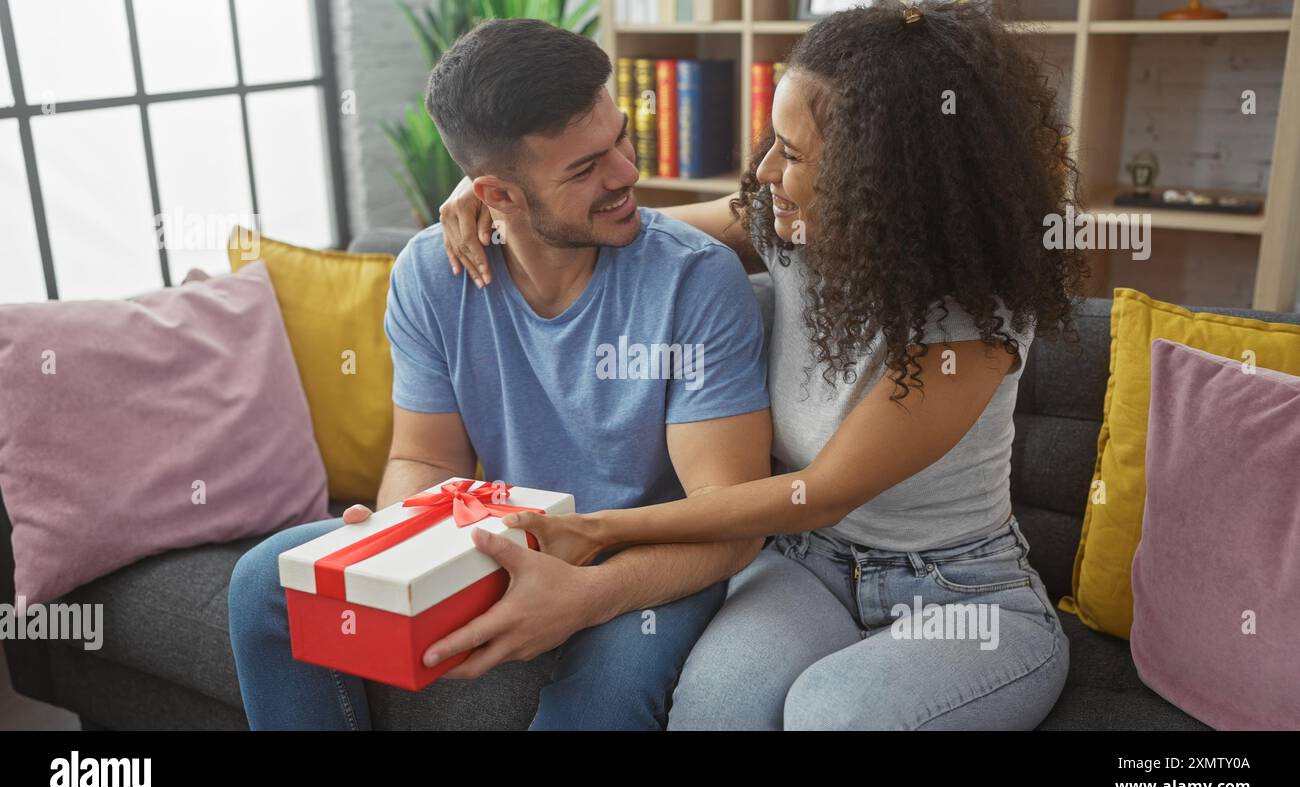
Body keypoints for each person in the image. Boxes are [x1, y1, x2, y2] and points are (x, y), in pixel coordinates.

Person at [436, 1, 1087, 729]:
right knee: (715, 711)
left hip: (962, 591)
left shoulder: (978, 316)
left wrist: (601, 530)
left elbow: (823, 489)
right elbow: (633, 237)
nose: (767, 170)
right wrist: (503, 200)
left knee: (830, 714)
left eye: (796, 155)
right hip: (806, 566)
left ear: (880, 178)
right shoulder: (786, 224)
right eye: (772, 143)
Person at [228, 17, 772, 731]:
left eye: (619, 138)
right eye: (585, 168)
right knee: (264, 583)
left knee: (603, 699)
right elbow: (424, 455)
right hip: (504, 538)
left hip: (646, 555)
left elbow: (732, 524)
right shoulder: (431, 272)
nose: (626, 173)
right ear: (497, 194)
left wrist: (588, 594)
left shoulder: (694, 283)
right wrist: (392, 538)